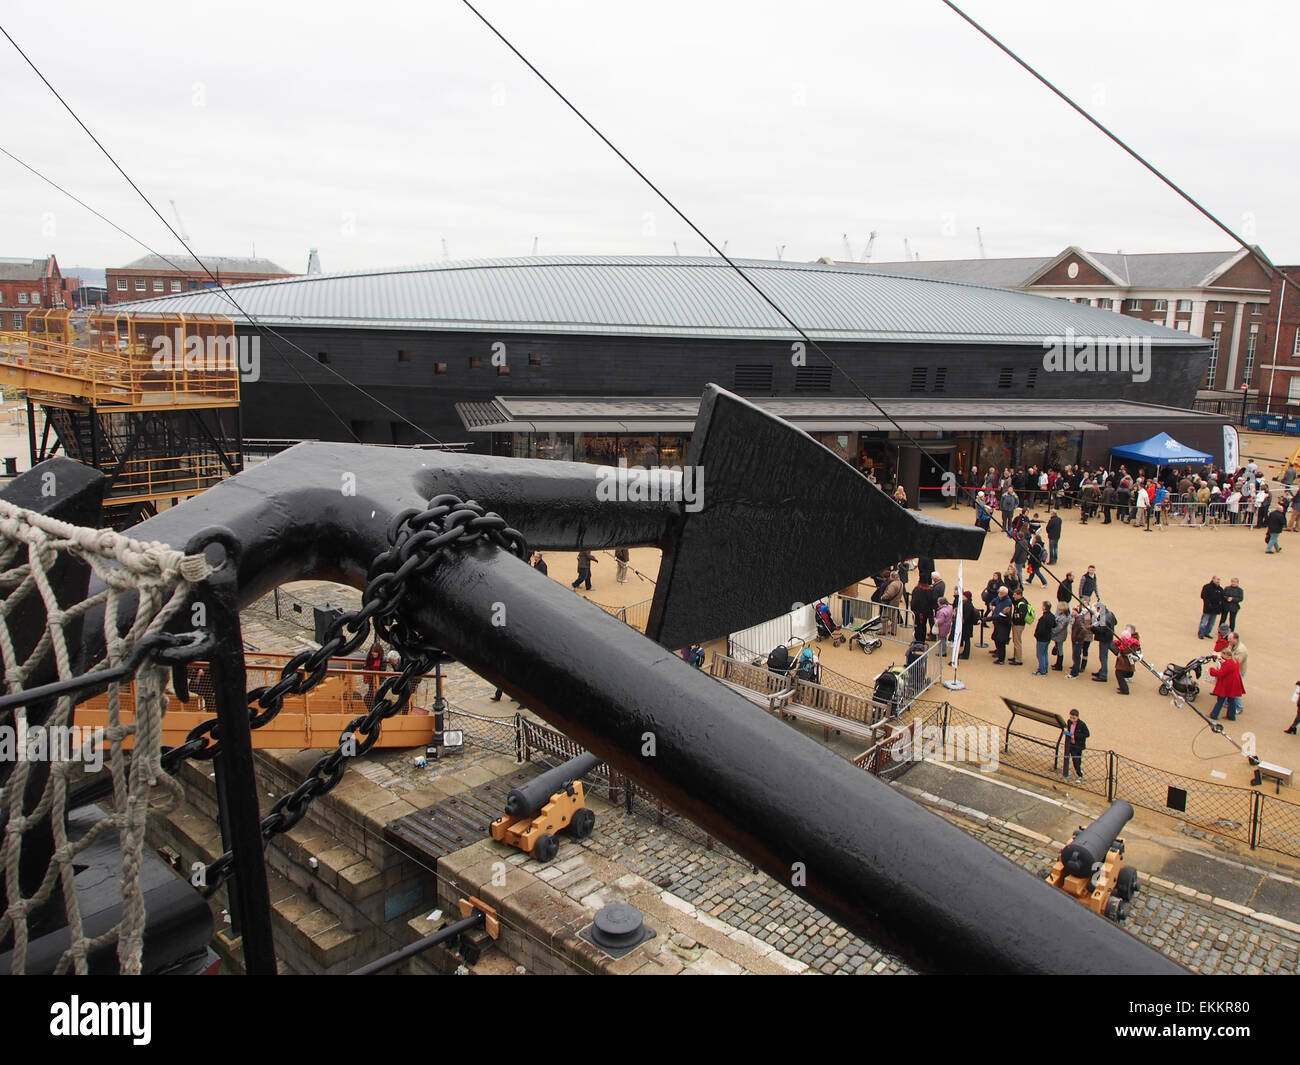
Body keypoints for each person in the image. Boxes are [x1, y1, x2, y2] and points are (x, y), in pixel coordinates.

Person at [1208, 648, 1244, 723]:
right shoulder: (1235, 661)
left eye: (1223, 655)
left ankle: (1214, 715)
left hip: (1227, 684)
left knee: (1220, 700)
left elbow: (1220, 673)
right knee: (1231, 700)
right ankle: (1231, 716)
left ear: (1227, 655)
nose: (1222, 657)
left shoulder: (1228, 663)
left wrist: (1211, 670)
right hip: (1233, 683)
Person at [1089, 601, 1116, 683]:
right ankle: (1102, 671)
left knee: (1103, 657)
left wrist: (1092, 628)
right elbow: (1116, 622)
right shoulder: (1110, 613)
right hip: (1108, 637)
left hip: (1104, 639)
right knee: (1103, 656)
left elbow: (1101, 629)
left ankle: (1103, 675)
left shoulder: (1105, 617)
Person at [1062, 709, 1089, 783]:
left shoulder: (1082, 724)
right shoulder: (1069, 722)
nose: (1072, 719)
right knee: (1075, 760)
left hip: (1078, 745)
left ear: (1077, 717)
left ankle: (1080, 774)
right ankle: (1079, 772)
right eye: (1071, 717)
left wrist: (1075, 736)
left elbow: (1087, 734)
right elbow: (1069, 729)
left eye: (1073, 718)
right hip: (1071, 744)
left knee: (1077, 759)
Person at [1112, 626, 1140, 696]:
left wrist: (1120, 649)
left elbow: (1128, 651)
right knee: (1119, 673)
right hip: (1125, 661)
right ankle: (1123, 688)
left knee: (1119, 673)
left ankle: (1125, 689)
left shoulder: (1134, 641)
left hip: (1126, 662)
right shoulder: (1130, 639)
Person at [989, 586, 1012, 664]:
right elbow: (993, 600)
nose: (999, 594)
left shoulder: (1007, 602)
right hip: (997, 621)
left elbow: (1001, 615)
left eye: (1001, 593)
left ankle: (1001, 659)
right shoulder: (1000, 598)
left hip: (1001, 623)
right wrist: (991, 604)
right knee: (995, 637)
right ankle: (998, 651)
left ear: (1005, 594)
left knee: (1000, 641)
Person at [1069, 605, 1092, 679]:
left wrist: (1078, 639)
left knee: (1076, 657)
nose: (1072, 612)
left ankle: (1075, 673)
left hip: (1077, 641)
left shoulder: (1079, 619)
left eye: (1074, 610)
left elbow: (1084, 630)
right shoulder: (1077, 618)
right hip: (1076, 640)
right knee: (1075, 656)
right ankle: (1074, 672)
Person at [1032, 600, 1054, 675]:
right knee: (1044, 654)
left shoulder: (1044, 618)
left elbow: (1041, 630)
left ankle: (1042, 670)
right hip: (1048, 638)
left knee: (1040, 654)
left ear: (1044, 607)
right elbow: (1054, 625)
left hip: (1042, 639)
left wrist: (1036, 635)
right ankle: (1045, 668)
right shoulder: (1052, 616)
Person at [1008, 589, 1029, 665]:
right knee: (1015, 640)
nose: (1014, 596)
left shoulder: (1022, 604)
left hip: (1018, 625)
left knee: (1017, 642)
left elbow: (1020, 616)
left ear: (1019, 595)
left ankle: (1018, 659)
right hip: (1017, 624)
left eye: (1015, 595)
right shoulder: (1020, 601)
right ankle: (1015, 656)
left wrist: (1014, 620)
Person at [1050, 602, 1070, 671]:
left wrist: (1052, 630)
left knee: (1060, 649)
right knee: (1058, 649)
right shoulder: (1062, 615)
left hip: (1060, 635)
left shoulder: (1064, 618)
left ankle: (1059, 665)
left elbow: (1059, 627)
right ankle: (1057, 664)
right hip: (1059, 635)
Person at [959, 591, 977, 660]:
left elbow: (967, 616)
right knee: (966, 640)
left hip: (967, 625)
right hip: (967, 625)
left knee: (967, 640)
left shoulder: (967, 605)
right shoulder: (967, 603)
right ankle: (964, 653)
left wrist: (962, 621)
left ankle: (965, 655)